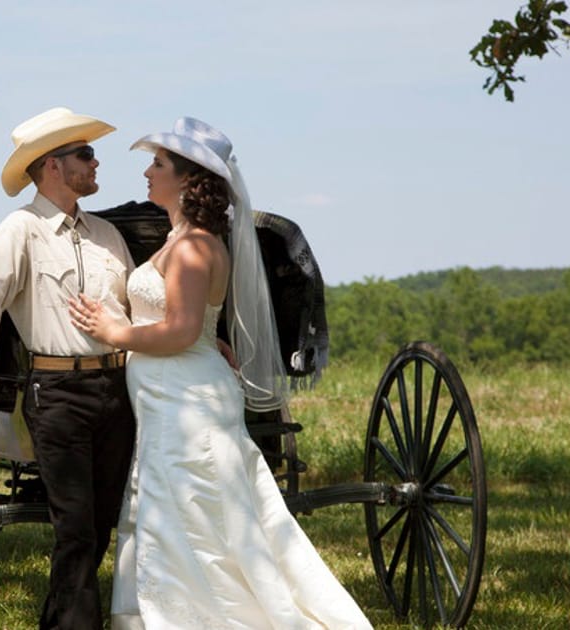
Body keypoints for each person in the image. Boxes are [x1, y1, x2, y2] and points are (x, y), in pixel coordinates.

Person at [70, 117, 373, 629]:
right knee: (187, 511)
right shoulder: (184, 239)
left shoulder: (191, 247)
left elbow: (182, 330)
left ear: (189, 180)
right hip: (172, 396)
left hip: (184, 400)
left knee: (195, 513)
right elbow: (199, 325)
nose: (146, 172)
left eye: (158, 163)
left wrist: (114, 332)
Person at [0, 107, 137, 629]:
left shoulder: (106, 235)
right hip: (56, 394)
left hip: (117, 389)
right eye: (85, 154)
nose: (96, 161)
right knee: (76, 527)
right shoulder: (20, 230)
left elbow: (136, 309)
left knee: (99, 527)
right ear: (52, 166)